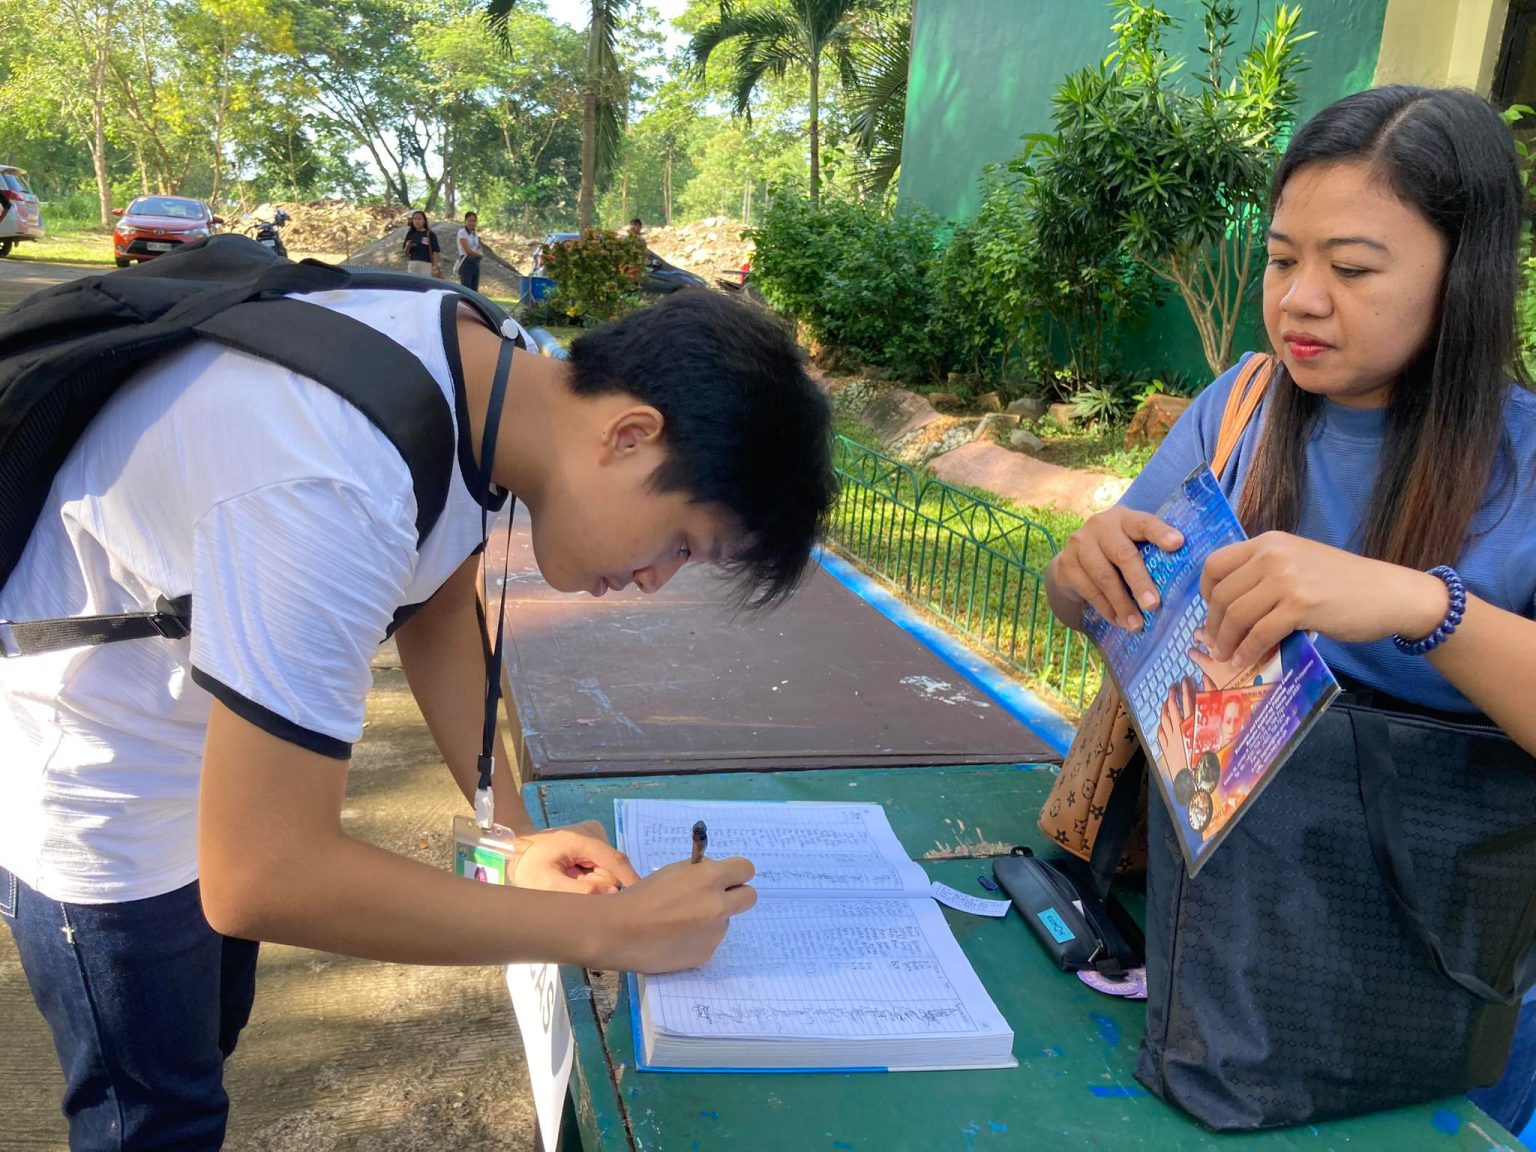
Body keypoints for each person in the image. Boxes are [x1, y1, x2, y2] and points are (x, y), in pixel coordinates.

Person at [0, 286, 836, 1149]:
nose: (658, 580)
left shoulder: (486, 365)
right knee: (158, 1115)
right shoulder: (332, 480)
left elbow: (435, 599)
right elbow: (262, 878)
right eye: (682, 544)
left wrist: (512, 839)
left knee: (208, 1037)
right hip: (98, 785)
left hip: (204, 738)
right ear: (630, 436)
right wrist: (609, 930)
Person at [1045, 85, 1536, 1134]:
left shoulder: (1526, 463)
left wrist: (1422, 607)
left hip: (1446, 1004)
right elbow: (1102, 601)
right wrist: (1083, 573)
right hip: (1222, 978)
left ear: (1465, 273)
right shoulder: (1242, 409)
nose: (1301, 299)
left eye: (1353, 268)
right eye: (1282, 259)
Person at [402, 209, 441, 277]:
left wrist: (435, 266)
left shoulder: (430, 234)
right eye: (415, 219)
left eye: (419, 219)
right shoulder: (410, 234)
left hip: (426, 264)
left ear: (424, 221)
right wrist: (408, 246)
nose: (417, 221)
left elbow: (435, 251)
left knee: (425, 285)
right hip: (413, 263)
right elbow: (405, 252)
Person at [456, 210, 484, 291]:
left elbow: (478, 247)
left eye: (473, 221)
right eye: (469, 220)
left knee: (474, 289)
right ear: (465, 221)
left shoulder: (474, 234)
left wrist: (479, 253)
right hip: (466, 261)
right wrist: (480, 255)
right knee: (466, 288)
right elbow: (468, 251)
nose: (471, 223)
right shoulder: (462, 233)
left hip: (475, 262)